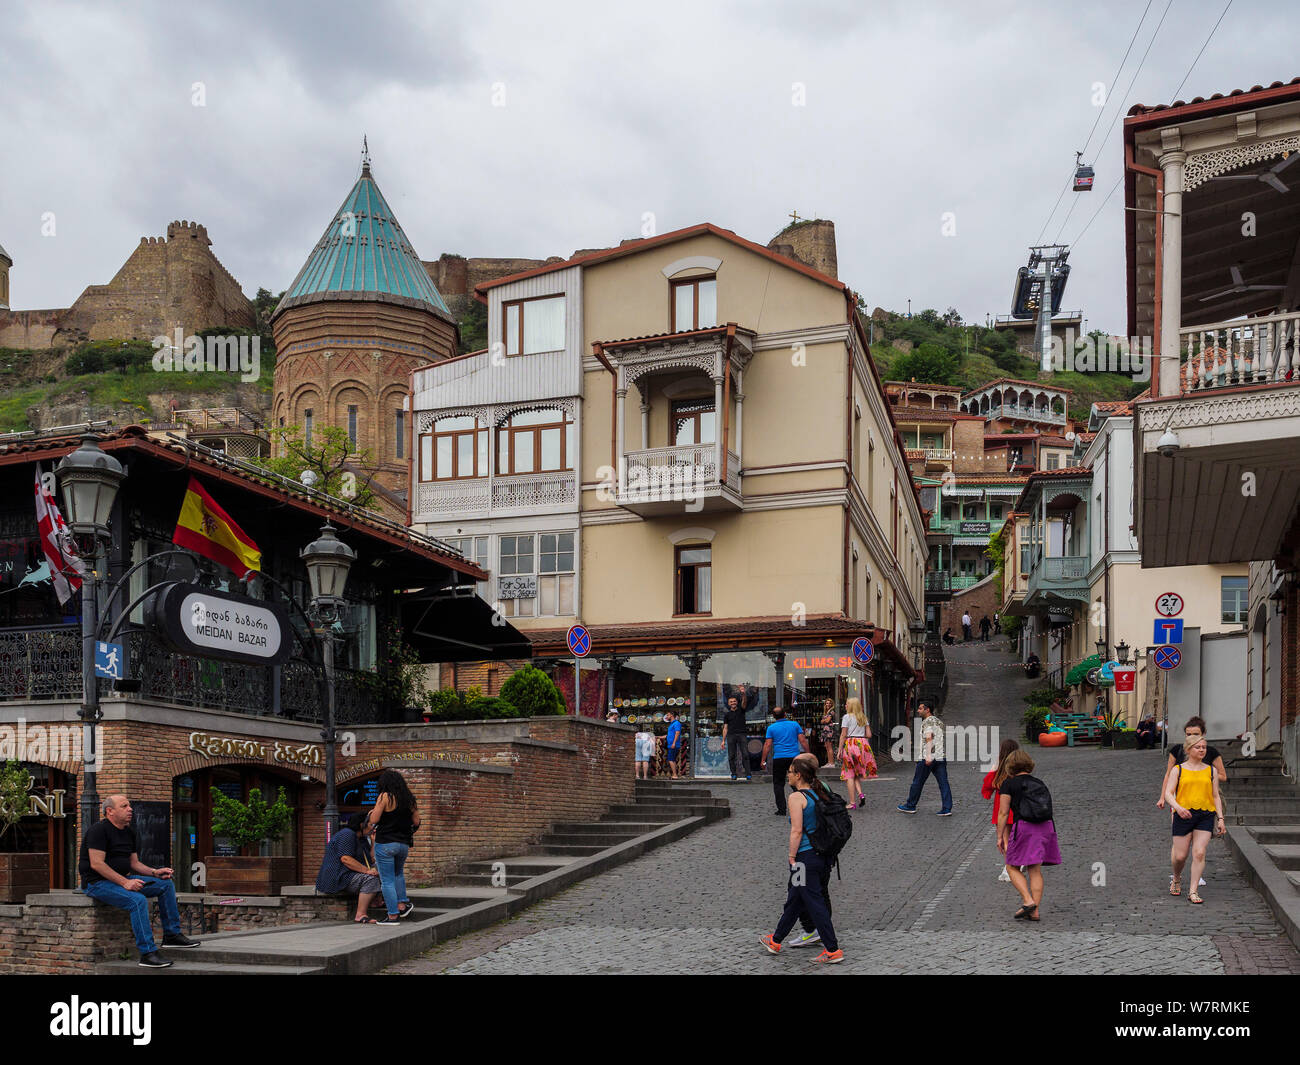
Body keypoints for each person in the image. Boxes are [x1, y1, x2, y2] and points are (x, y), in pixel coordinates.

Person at [80, 794, 201, 968]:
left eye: (129, 806)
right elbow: (97, 864)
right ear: (110, 811)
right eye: (124, 806)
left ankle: (171, 935)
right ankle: (147, 953)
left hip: (122, 879)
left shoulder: (129, 831)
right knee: (137, 901)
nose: (130, 809)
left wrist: (154, 872)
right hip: (97, 883)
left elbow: (134, 863)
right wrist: (125, 883)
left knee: (165, 885)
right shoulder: (98, 830)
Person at [759, 754, 843, 963]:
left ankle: (832, 950)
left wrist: (791, 856)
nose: (787, 776)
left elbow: (796, 831)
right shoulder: (819, 791)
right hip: (822, 856)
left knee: (814, 902)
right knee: (796, 898)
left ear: (798, 775)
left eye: (789, 772)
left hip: (804, 859)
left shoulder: (796, 798)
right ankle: (776, 940)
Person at [996, 750, 1061, 921]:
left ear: (1010, 766)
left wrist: (1000, 836)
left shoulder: (1008, 784)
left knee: (1011, 866)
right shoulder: (1039, 782)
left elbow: (1003, 813)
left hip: (1024, 827)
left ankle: (1028, 900)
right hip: (1046, 826)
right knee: (1035, 869)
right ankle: (1035, 911)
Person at [1165, 735, 1225, 903]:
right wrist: (1178, 808)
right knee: (1180, 856)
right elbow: (1168, 793)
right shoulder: (1179, 770)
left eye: (1204, 747)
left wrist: (1220, 818)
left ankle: (1193, 891)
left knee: (1199, 852)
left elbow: (1216, 796)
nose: (1202, 750)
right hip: (1183, 814)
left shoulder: (1211, 770)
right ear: (1188, 749)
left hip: (1205, 815)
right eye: (1198, 747)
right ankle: (1176, 878)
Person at [368, 769, 420, 925]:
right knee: (398, 874)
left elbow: (374, 819)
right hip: (403, 844)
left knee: (387, 881)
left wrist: (372, 813)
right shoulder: (409, 799)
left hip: (385, 843)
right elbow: (416, 822)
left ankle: (392, 915)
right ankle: (402, 904)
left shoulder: (385, 796)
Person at [316, 812, 383, 923]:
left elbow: (371, 860)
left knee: (382, 868)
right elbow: (346, 859)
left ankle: (375, 900)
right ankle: (360, 915)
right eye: (371, 825)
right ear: (362, 824)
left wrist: (373, 842)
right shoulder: (347, 834)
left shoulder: (361, 838)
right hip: (338, 876)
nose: (373, 828)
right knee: (370, 880)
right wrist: (367, 871)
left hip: (350, 873)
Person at [897, 701, 953, 815]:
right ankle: (947, 808)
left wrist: (927, 756)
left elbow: (929, 738)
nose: (918, 711)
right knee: (943, 783)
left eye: (920, 709)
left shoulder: (927, 722)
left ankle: (910, 805)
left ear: (928, 710)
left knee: (917, 782)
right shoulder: (939, 722)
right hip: (940, 756)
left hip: (928, 757)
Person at [982, 739, 1020, 882]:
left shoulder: (998, 769)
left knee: (1005, 838)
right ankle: (1015, 862)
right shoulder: (1019, 767)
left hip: (1002, 807)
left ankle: (1009, 866)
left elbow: (988, 786)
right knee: (1016, 836)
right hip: (1017, 806)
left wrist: (993, 768)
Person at [762, 706, 809, 815]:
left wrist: (763, 760)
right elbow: (803, 741)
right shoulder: (795, 725)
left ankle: (781, 809)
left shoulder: (771, 728)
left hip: (779, 758)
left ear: (773, 717)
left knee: (778, 784)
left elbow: (768, 745)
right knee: (797, 782)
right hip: (794, 758)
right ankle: (803, 804)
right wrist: (808, 754)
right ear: (785, 714)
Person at [837, 696, 877, 809]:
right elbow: (869, 735)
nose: (845, 706)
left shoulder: (846, 717)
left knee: (849, 773)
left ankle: (852, 803)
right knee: (855, 773)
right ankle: (861, 794)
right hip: (863, 745)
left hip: (850, 744)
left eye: (847, 704)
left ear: (851, 706)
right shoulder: (863, 717)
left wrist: (840, 749)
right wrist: (860, 737)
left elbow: (843, 734)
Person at [721, 694, 751, 782]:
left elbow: (744, 702)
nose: (733, 703)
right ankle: (733, 774)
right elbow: (725, 728)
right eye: (731, 702)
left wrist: (743, 694)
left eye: (734, 701)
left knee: (745, 755)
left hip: (742, 734)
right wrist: (723, 740)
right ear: (728, 703)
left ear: (737, 702)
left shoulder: (741, 710)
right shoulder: (727, 715)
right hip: (731, 735)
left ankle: (748, 774)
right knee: (731, 756)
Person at [818, 698, 838, 770]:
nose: (828, 704)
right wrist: (823, 721)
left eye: (829, 703)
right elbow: (822, 721)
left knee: (829, 747)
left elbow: (827, 721)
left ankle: (832, 763)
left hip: (829, 730)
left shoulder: (831, 712)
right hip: (826, 730)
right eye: (827, 703)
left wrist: (824, 720)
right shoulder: (827, 712)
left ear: (832, 704)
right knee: (827, 747)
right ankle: (829, 762)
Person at [665, 710, 683, 779]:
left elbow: (677, 733)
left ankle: (675, 775)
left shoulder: (676, 723)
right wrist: (659, 737)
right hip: (671, 744)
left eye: (668, 715)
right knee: (673, 760)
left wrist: (674, 743)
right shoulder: (672, 724)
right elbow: (669, 734)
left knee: (670, 760)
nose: (667, 716)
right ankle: (674, 774)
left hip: (673, 745)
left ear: (671, 715)